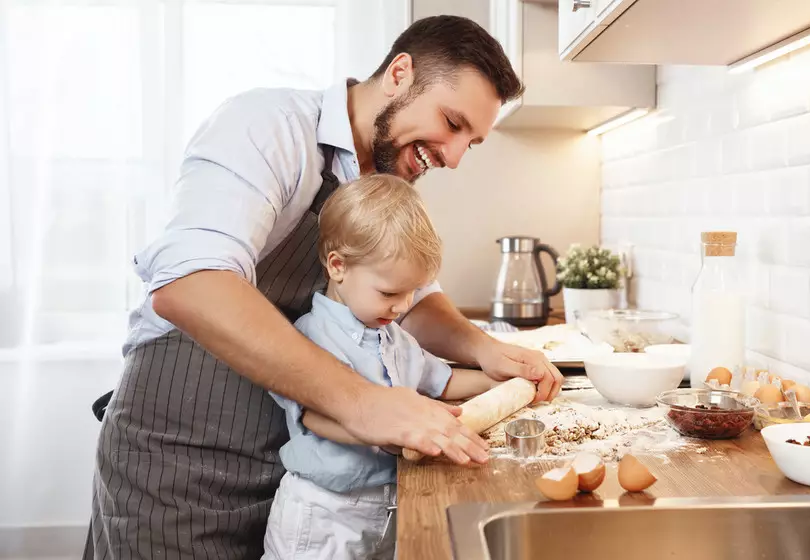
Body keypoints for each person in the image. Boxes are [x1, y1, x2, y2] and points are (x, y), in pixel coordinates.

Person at [85, 15, 564, 560]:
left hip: (299, 463)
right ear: (400, 73)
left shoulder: (384, 184)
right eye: (452, 123)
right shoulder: (268, 126)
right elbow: (192, 282)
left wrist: (486, 350)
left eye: (470, 144)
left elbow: (416, 301)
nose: (453, 157)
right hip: (182, 453)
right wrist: (363, 403)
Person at [263, 174, 500, 559]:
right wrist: (382, 432)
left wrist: (499, 382)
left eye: (412, 292)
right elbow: (314, 417)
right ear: (338, 266)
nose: (403, 306)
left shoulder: (396, 338)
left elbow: (445, 379)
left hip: (386, 509)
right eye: (390, 293)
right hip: (324, 517)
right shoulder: (309, 339)